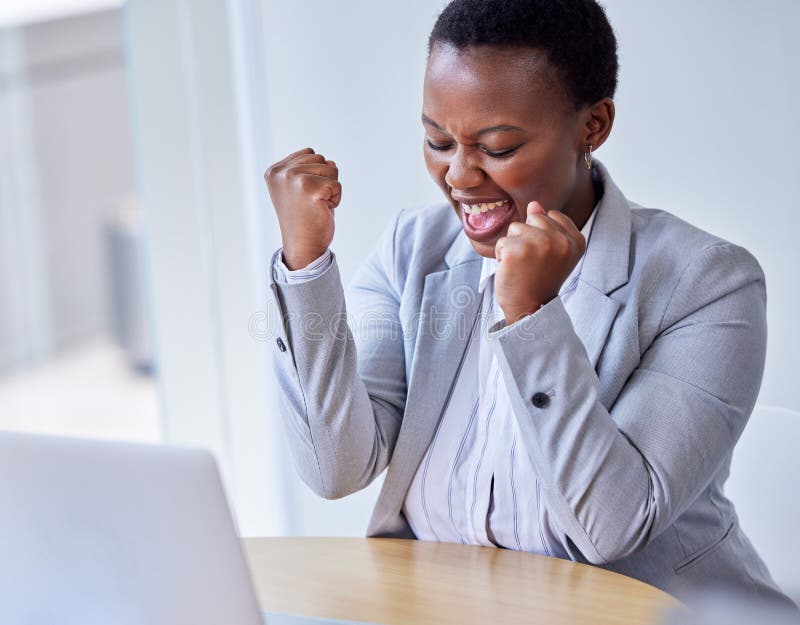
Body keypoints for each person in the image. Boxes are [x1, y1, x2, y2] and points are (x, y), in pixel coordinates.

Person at [263, 0, 795, 608]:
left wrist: (532, 318)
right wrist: (305, 266)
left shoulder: (709, 283)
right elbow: (336, 468)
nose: (458, 176)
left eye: (497, 147)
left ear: (592, 126)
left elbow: (611, 527)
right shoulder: (412, 250)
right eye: (438, 140)